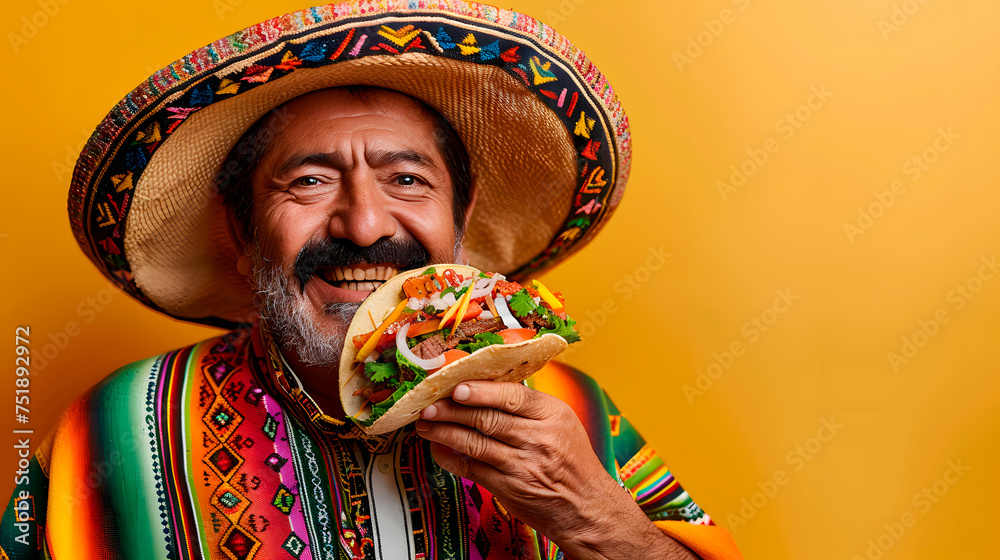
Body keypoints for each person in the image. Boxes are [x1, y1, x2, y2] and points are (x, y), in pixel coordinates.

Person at [1, 3, 742, 559]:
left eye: (407, 179)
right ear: (240, 230)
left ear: (461, 218)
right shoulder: (112, 432)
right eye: (311, 180)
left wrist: (598, 521)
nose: (362, 225)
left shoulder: (570, 413)